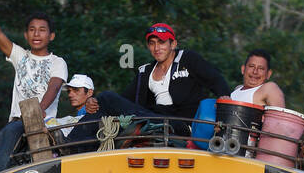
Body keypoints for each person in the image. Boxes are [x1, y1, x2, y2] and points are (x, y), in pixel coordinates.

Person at [0, 0, 67, 173]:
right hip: (16, 122)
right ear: (26, 34)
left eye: (42, 30)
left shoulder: (57, 62)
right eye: (32, 29)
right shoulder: (20, 56)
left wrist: (39, 109)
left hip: (41, 122)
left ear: (51, 36)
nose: (36, 34)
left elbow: (54, 87)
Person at [80, 22, 229, 139]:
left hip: (181, 124)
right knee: (105, 99)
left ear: (173, 44)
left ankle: (73, 143)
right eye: (152, 43)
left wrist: (224, 97)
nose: (157, 48)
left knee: (106, 98)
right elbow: (124, 99)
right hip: (152, 118)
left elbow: (215, 79)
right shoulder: (146, 71)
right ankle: (73, 146)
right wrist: (94, 101)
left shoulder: (188, 59)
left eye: (162, 42)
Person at [45, 74, 95, 141]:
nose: (70, 95)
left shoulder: (92, 112)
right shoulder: (79, 114)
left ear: (89, 92)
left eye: (76, 90)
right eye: (69, 91)